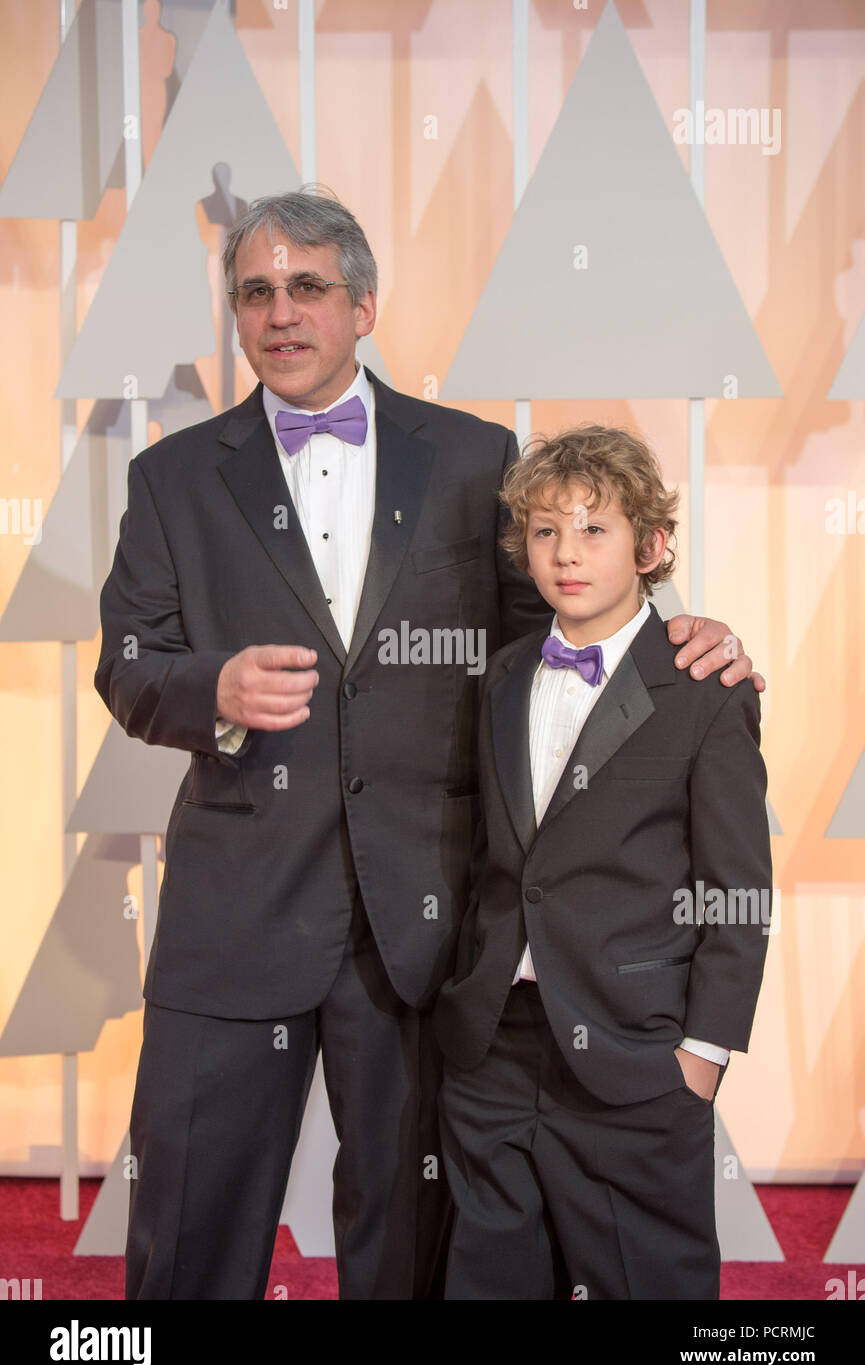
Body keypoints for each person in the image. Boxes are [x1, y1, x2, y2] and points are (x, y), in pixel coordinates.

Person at [94, 188, 763, 1300]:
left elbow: (556, 625)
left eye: (307, 286)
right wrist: (209, 684)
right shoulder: (170, 478)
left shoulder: (470, 455)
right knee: (190, 1228)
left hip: (427, 934)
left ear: (362, 304)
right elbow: (127, 664)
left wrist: (683, 628)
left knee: (408, 1240)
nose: (280, 313)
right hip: (235, 917)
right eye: (255, 292)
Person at [433, 425, 772, 1299]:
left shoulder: (703, 688)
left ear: (650, 547)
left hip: (638, 1053)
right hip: (494, 1047)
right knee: (490, 1279)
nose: (565, 554)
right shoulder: (504, 675)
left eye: (594, 529)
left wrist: (700, 1055)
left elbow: (736, 889)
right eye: (545, 531)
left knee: (645, 1281)